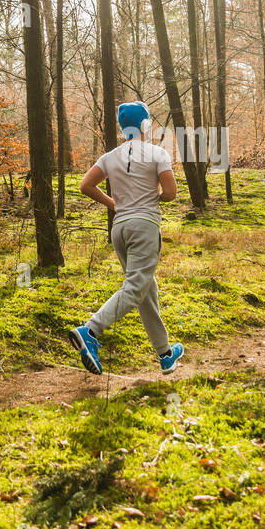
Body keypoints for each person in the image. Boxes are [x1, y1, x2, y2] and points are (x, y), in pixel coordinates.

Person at [69, 102, 185, 376]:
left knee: (145, 289)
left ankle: (166, 353)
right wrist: (151, 198)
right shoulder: (157, 153)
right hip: (144, 226)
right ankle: (91, 330)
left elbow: (86, 185)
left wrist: (115, 204)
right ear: (145, 125)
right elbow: (170, 193)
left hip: (119, 228)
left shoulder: (109, 156)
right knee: (135, 288)